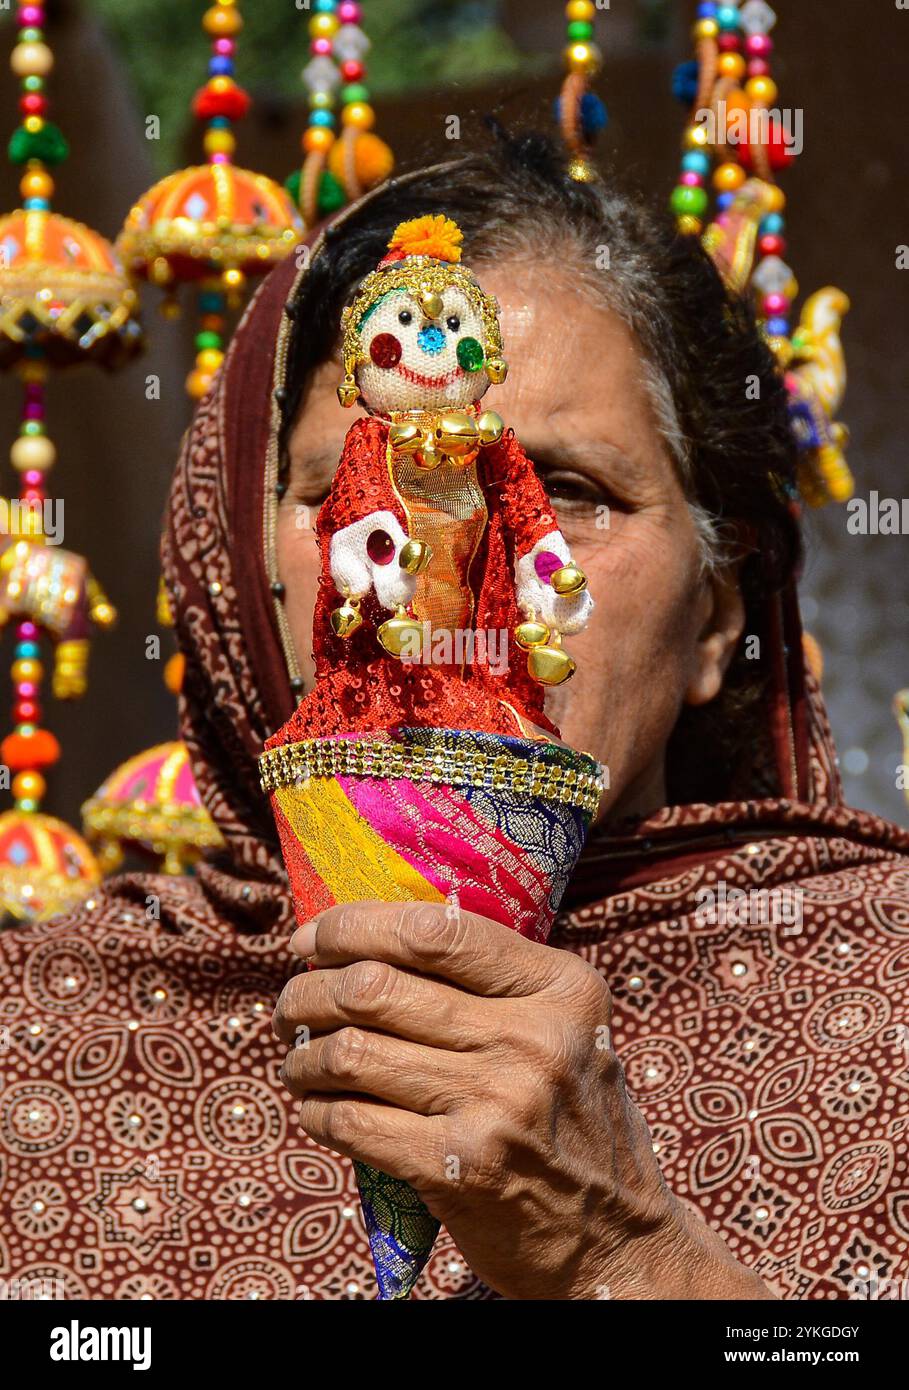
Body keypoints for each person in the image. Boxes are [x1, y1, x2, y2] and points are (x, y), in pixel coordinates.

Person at [1, 133, 907, 1301]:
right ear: (244, 571)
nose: (455, 558)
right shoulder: (44, 1035)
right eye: (367, 486)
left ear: (713, 622)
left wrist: (624, 1256)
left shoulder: (882, 1002)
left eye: (563, 492)